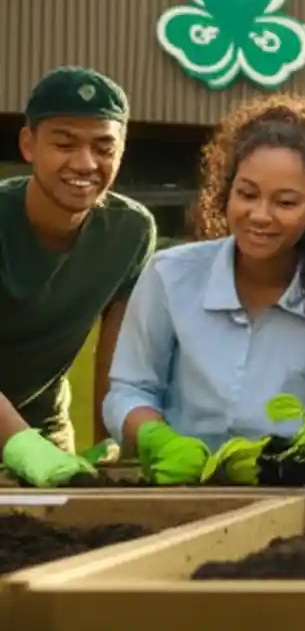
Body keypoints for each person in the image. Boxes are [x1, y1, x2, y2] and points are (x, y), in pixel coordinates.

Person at [102, 94, 305, 484]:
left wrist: (301, 449)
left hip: (286, 495)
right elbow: (130, 389)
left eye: (285, 202)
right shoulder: (171, 275)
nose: (260, 215)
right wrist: (156, 438)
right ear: (227, 189)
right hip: (176, 487)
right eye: (247, 194)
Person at [0, 66, 156, 488]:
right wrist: (20, 447)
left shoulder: (131, 231)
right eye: (64, 143)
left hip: (44, 429)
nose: (86, 163)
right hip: (21, 440)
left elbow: (117, 357)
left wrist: (112, 456)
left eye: (104, 147)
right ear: (29, 144)